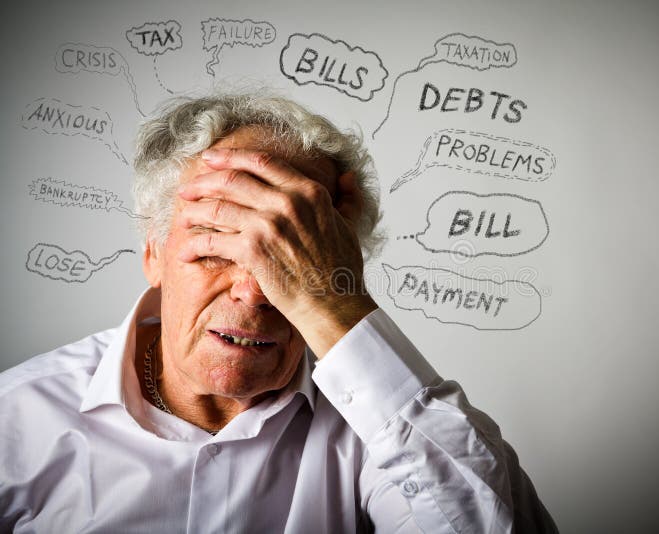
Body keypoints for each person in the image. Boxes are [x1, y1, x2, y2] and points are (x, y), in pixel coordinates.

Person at [0, 91, 558, 533]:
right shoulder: (16, 422)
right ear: (153, 251)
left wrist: (338, 309)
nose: (254, 291)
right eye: (216, 244)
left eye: (292, 256)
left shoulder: (378, 436)